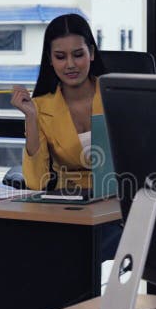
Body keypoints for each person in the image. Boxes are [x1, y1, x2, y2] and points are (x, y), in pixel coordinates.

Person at [11, 13, 107, 191]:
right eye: (60, 57)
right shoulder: (40, 107)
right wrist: (31, 117)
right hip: (68, 199)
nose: (70, 64)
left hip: (119, 194)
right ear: (50, 59)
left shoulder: (115, 96)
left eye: (78, 55)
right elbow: (36, 183)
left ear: (92, 53)